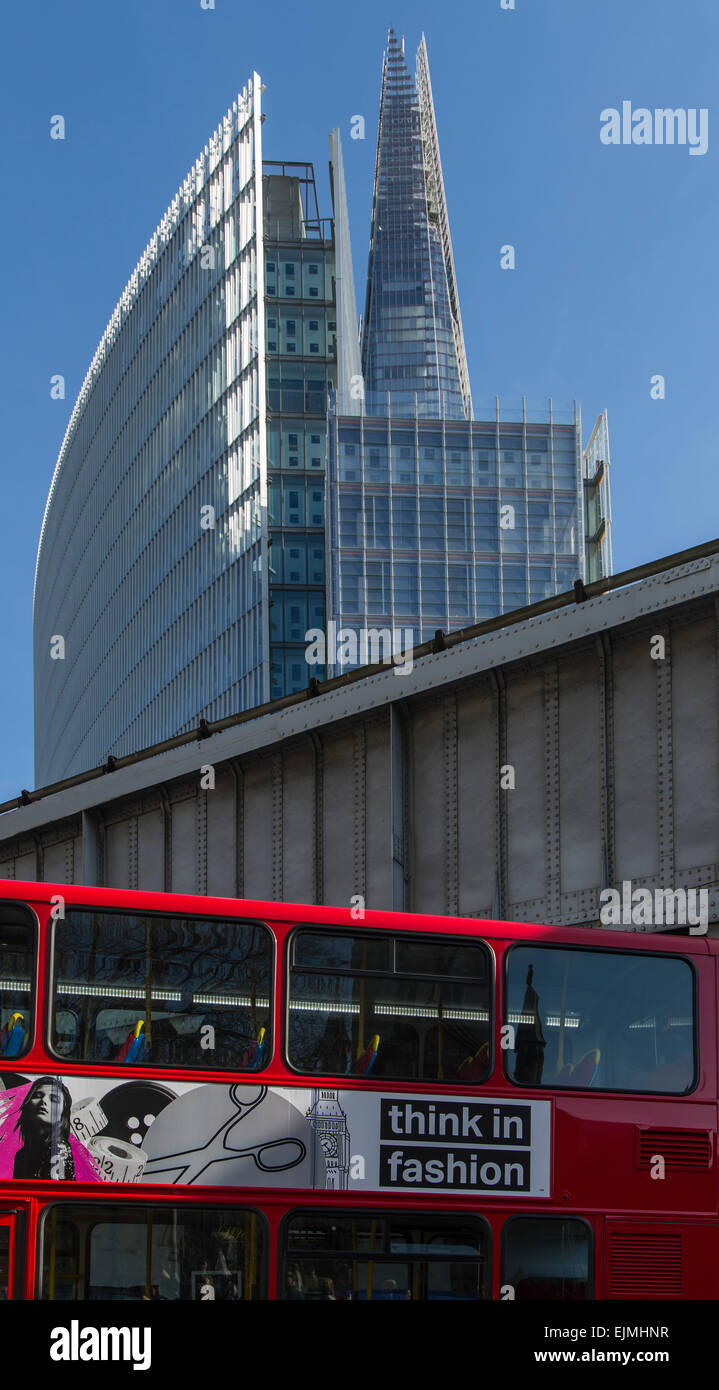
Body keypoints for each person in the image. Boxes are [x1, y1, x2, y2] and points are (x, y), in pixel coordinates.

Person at [13, 1076, 75, 1179]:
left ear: (63, 1113)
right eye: (37, 1095)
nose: (43, 1101)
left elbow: (55, 1192)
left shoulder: (58, 1148)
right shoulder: (21, 1155)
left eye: (54, 1099)